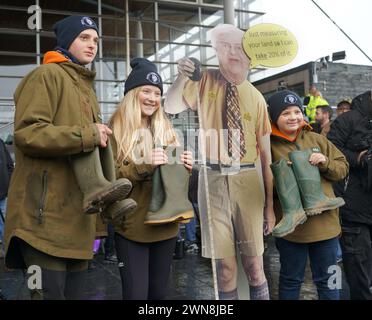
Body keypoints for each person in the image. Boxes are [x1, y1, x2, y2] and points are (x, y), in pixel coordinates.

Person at [3, 15, 117, 300]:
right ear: (67, 41)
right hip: (41, 222)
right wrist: (88, 134)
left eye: (96, 40)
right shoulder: (45, 75)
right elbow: (28, 134)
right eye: (84, 38)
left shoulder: (85, 87)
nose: (92, 45)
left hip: (76, 221)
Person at [165, 24, 275, 300]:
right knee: (224, 268)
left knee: (254, 265)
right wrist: (181, 77)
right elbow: (170, 106)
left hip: (249, 180)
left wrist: (270, 207)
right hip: (212, 180)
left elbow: (266, 158)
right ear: (216, 51)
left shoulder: (258, 98)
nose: (233, 52)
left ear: (248, 54)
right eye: (225, 46)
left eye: (238, 47)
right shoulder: (203, 80)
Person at [109, 57, 193, 300]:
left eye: (157, 93)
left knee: (158, 295)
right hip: (131, 227)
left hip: (166, 226)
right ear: (132, 93)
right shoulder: (113, 130)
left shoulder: (166, 129)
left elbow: (174, 185)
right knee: (135, 294)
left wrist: (185, 168)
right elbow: (110, 180)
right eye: (146, 91)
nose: (152, 98)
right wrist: (144, 165)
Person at [267, 90, 348, 300]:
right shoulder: (267, 146)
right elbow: (261, 186)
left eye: (296, 111)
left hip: (326, 226)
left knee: (331, 280)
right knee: (290, 280)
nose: (293, 117)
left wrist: (324, 162)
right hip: (293, 229)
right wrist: (285, 176)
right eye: (285, 113)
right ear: (274, 117)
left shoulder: (317, 138)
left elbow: (342, 169)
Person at [327, 90, 372, 300]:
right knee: (357, 268)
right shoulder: (348, 119)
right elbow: (331, 149)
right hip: (354, 209)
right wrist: (358, 158)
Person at [0, 138, 14, 255]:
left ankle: (7, 253)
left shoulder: (0, 143)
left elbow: (9, 165)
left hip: (2, 193)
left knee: (4, 225)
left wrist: (8, 183)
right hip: (3, 191)